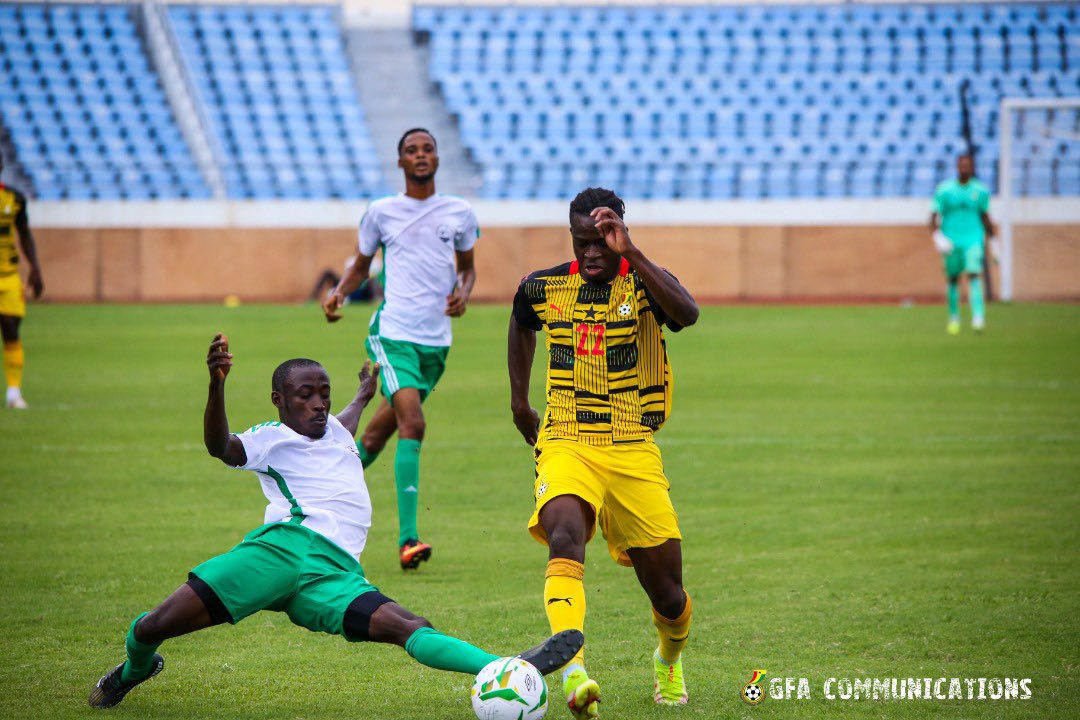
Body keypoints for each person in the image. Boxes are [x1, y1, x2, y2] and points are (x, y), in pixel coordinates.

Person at [88, 333, 583, 709]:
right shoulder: (271, 438)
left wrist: (365, 393)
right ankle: (135, 667)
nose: (318, 403)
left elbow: (344, 418)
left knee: (406, 624)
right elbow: (221, 447)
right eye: (305, 395)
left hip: (335, 573)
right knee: (153, 626)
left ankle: (507, 667)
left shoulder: (336, 430)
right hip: (282, 551)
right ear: (279, 400)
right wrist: (217, 386)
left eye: (323, 393)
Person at [507, 188, 700, 718]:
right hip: (567, 437)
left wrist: (632, 252)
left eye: (602, 241)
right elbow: (521, 321)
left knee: (669, 596)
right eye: (582, 241)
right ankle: (574, 673)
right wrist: (520, 401)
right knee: (565, 531)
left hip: (632, 446)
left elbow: (688, 314)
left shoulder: (642, 283)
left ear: (619, 234)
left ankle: (668, 657)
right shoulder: (544, 286)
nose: (592, 252)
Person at [322, 128, 478, 570]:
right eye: (411, 149)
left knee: (374, 436)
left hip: (436, 344)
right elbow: (360, 264)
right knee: (414, 421)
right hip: (392, 335)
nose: (421, 155)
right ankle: (408, 540)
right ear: (400, 162)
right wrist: (338, 293)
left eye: (428, 148)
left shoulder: (460, 213)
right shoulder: (382, 212)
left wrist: (463, 293)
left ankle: (320, 499)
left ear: (437, 157)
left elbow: (467, 271)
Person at [930, 154, 995, 334]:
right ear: (957, 167)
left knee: (974, 274)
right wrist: (937, 237)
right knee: (953, 279)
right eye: (962, 165)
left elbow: (985, 217)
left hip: (973, 239)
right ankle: (954, 317)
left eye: (968, 165)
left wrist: (995, 242)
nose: (965, 168)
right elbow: (933, 217)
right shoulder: (945, 190)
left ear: (972, 167)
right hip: (951, 242)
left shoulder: (980, 191)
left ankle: (978, 317)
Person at [0, 155, 44, 408]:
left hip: (7, 276)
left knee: (11, 330)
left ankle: (14, 392)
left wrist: (35, 268)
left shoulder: (14, 199)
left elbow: (25, 234)